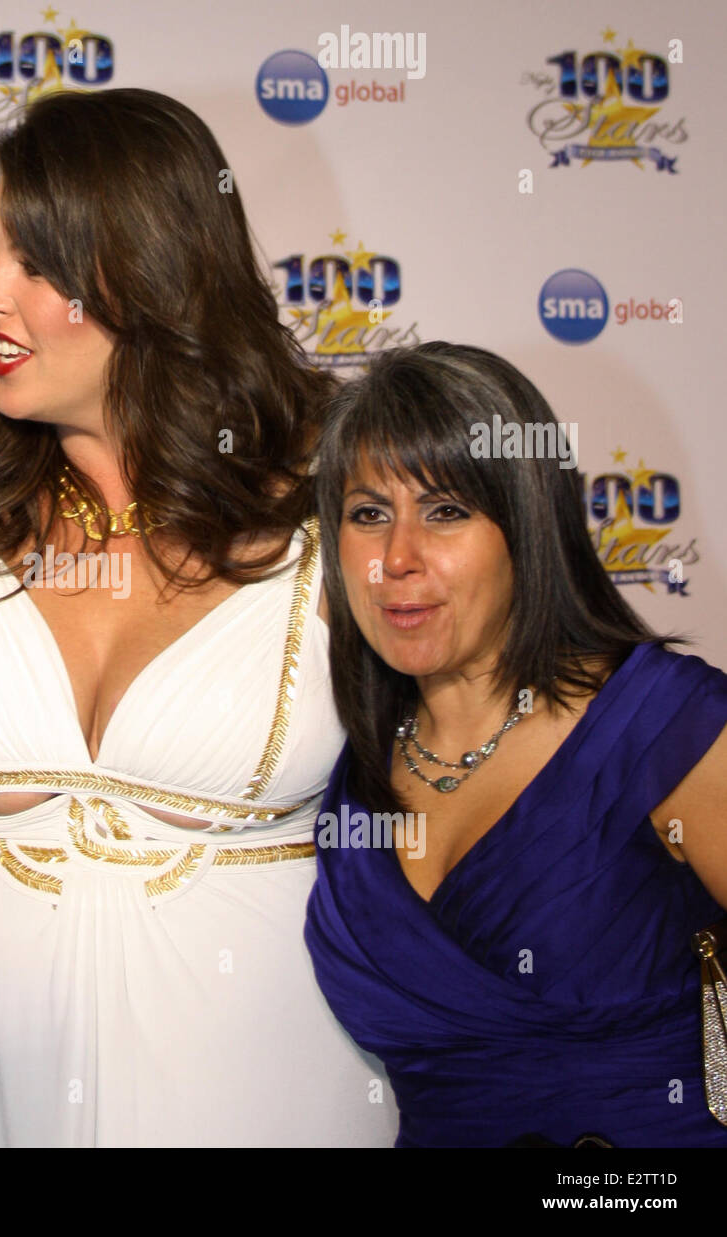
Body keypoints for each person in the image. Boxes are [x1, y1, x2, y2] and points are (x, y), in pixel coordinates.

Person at [0, 88, 396, 1146]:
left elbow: (508, 768)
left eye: (29, 265)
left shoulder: (336, 497)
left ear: (146, 269)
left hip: (267, 1089)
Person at [304, 341, 727, 1147]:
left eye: (445, 511)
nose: (397, 559)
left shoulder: (660, 727)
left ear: (528, 524)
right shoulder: (355, 775)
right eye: (367, 514)